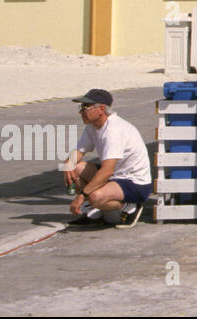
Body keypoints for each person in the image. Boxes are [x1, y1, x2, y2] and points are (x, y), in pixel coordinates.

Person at [62, 89, 152, 227]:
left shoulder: (113, 131)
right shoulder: (92, 126)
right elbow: (79, 152)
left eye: (86, 107)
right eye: (81, 107)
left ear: (101, 109)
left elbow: (107, 171)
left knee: (94, 197)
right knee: (76, 167)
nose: (81, 112)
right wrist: (68, 165)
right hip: (116, 177)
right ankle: (94, 212)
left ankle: (129, 207)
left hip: (134, 183)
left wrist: (81, 196)